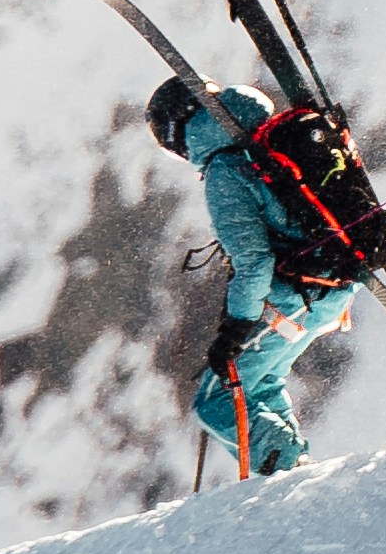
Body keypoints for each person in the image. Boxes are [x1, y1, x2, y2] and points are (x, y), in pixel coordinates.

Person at [149, 71, 360, 476]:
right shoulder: (265, 138)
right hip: (334, 284)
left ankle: (281, 468)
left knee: (216, 400)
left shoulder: (224, 170)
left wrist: (237, 326)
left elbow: (254, 261)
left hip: (296, 296)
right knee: (259, 384)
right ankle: (290, 467)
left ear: (178, 133)